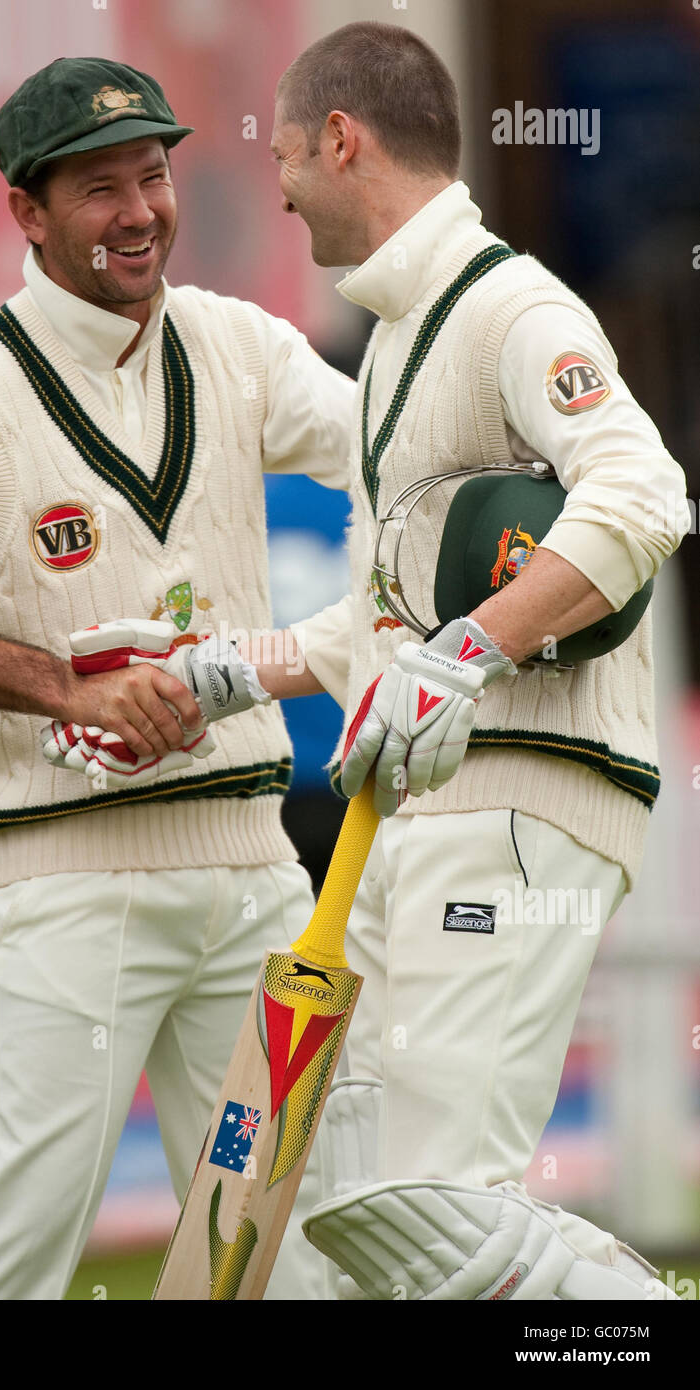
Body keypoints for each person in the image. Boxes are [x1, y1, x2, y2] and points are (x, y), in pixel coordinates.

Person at [0, 56, 353, 1300]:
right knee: (16, 1250)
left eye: (154, 177)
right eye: (100, 187)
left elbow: (387, 445)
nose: (140, 212)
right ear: (29, 211)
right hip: (61, 872)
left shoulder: (236, 344)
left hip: (251, 867)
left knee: (281, 1241)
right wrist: (67, 689)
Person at [253, 21, 691, 1299]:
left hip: (521, 792)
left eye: (284, 154)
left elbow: (646, 492)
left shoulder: (512, 302)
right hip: (410, 806)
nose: (275, 185)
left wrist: (472, 651)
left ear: (344, 138)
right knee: (358, 1214)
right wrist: (233, 669)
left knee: (433, 1205)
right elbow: (390, 620)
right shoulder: (393, 338)